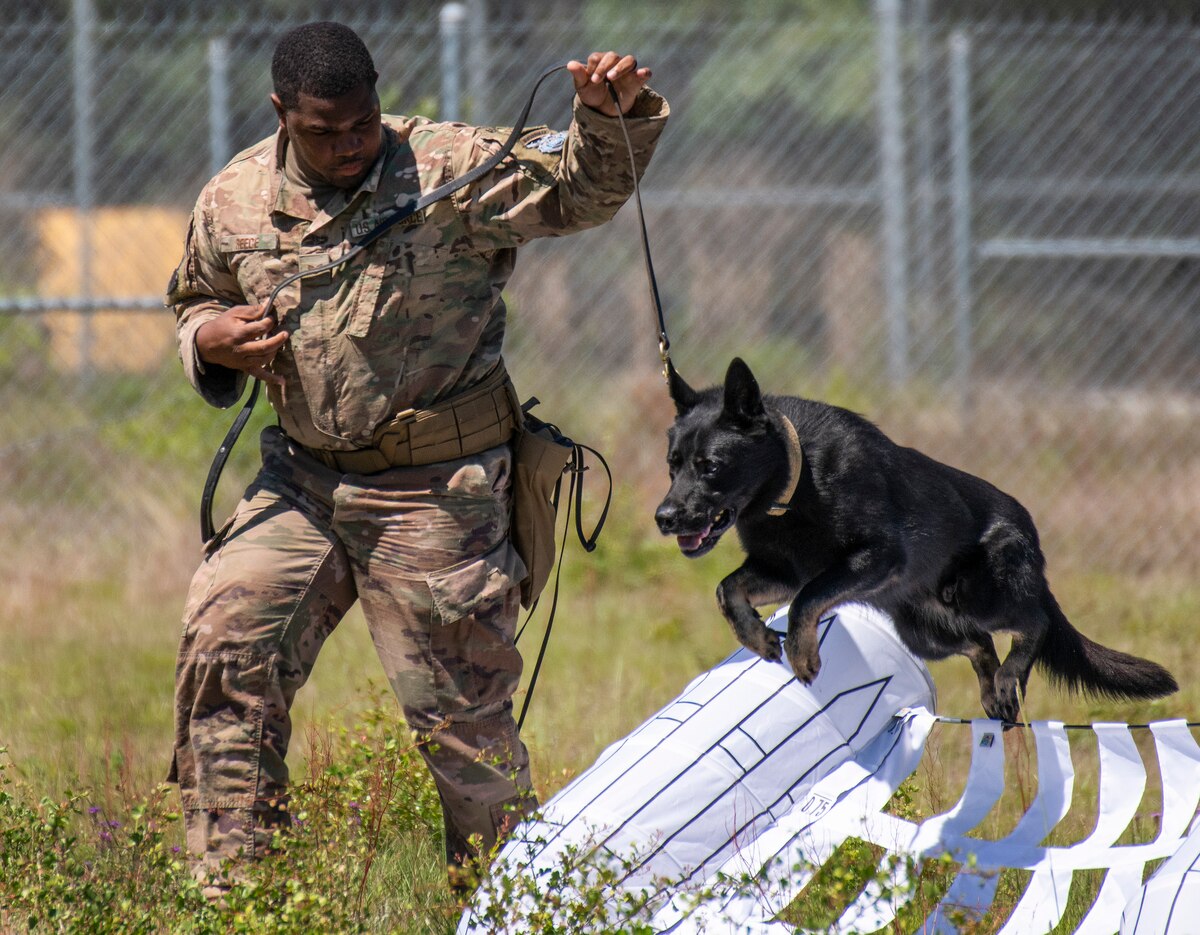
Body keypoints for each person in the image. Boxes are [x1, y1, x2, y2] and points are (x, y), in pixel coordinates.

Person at [165, 20, 668, 899]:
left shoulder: (448, 168)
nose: (349, 145)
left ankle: (506, 907)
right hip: (303, 480)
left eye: (361, 124)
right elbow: (195, 295)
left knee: (463, 725)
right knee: (224, 646)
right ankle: (238, 903)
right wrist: (209, 338)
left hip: (436, 488)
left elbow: (580, 194)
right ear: (282, 113)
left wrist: (606, 118)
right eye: (323, 131)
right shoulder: (235, 196)